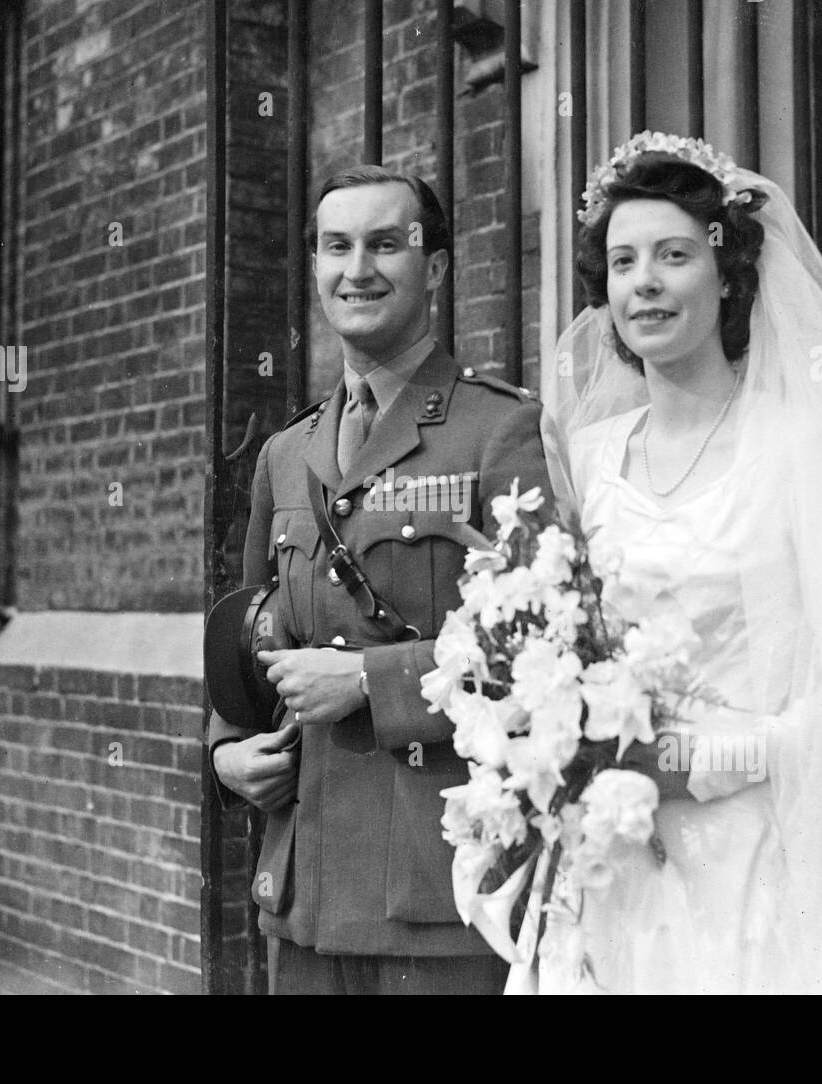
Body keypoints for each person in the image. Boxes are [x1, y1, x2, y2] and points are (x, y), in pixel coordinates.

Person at [525, 132, 822, 994]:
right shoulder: (590, 455)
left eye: (675, 255)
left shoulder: (801, 444)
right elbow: (558, 648)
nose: (644, 281)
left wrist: (713, 764)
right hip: (619, 856)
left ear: (728, 273)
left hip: (770, 850)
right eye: (622, 262)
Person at [209, 165, 553, 994]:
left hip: (438, 899)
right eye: (336, 246)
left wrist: (370, 681)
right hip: (308, 893)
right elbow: (247, 637)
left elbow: (547, 655)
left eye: (384, 244)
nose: (356, 269)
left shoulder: (498, 431)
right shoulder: (287, 455)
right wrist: (226, 752)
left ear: (433, 267)